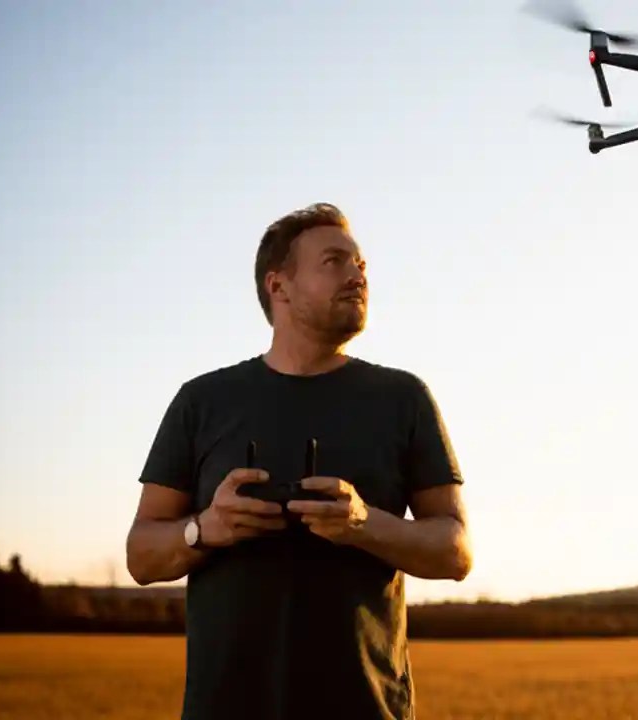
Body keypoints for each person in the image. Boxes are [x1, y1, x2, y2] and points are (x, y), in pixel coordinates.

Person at [125, 202, 472, 720]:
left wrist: (362, 523)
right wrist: (205, 529)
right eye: (334, 261)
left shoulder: (403, 399)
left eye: (361, 264)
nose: (357, 275)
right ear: (278, 285)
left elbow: (455, 551)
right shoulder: (201, 402)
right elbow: (141, 555)